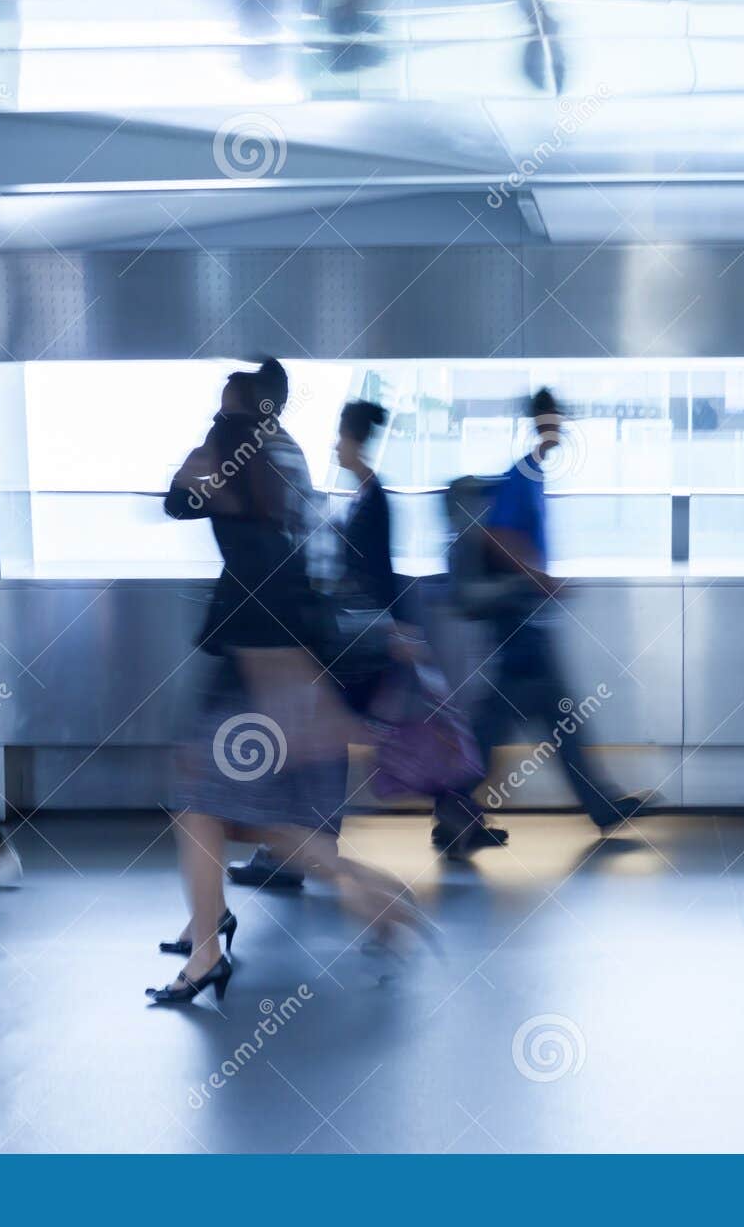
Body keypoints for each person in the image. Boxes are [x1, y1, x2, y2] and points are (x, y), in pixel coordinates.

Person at [153, 363, 429, 1003]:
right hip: (287, 654)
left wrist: (210, 442)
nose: (218, 415)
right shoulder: (289, 454)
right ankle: (378, 903)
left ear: (244, 408)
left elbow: (177, 500)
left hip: (253, 662)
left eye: (226, 406)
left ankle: (207, 949)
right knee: (252, 816)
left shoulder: (229, 451)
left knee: (209, 803)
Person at [434, 388, 645, 859]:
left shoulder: (532, 475)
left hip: (525, 620)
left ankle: (458, 814)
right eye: (549, 421)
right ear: (537, 423)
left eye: (559, 422)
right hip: (518, 621)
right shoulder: (521, 475)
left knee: (547, 718)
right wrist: (540, 577)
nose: (556, 430)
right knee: (512, 724)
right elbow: (497, 537)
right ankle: (453, 812)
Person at [227, 398, 421, 891]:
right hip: (355, 639)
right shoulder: (363, 498)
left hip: (357, 643)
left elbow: (376, 574)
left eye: (340, 436)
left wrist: (395, 629)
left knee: (318, 745)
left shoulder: (373, 501)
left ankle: (297, 852)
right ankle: (301, 848)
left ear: (355, 441)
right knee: (320, 743)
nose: (335, 445)